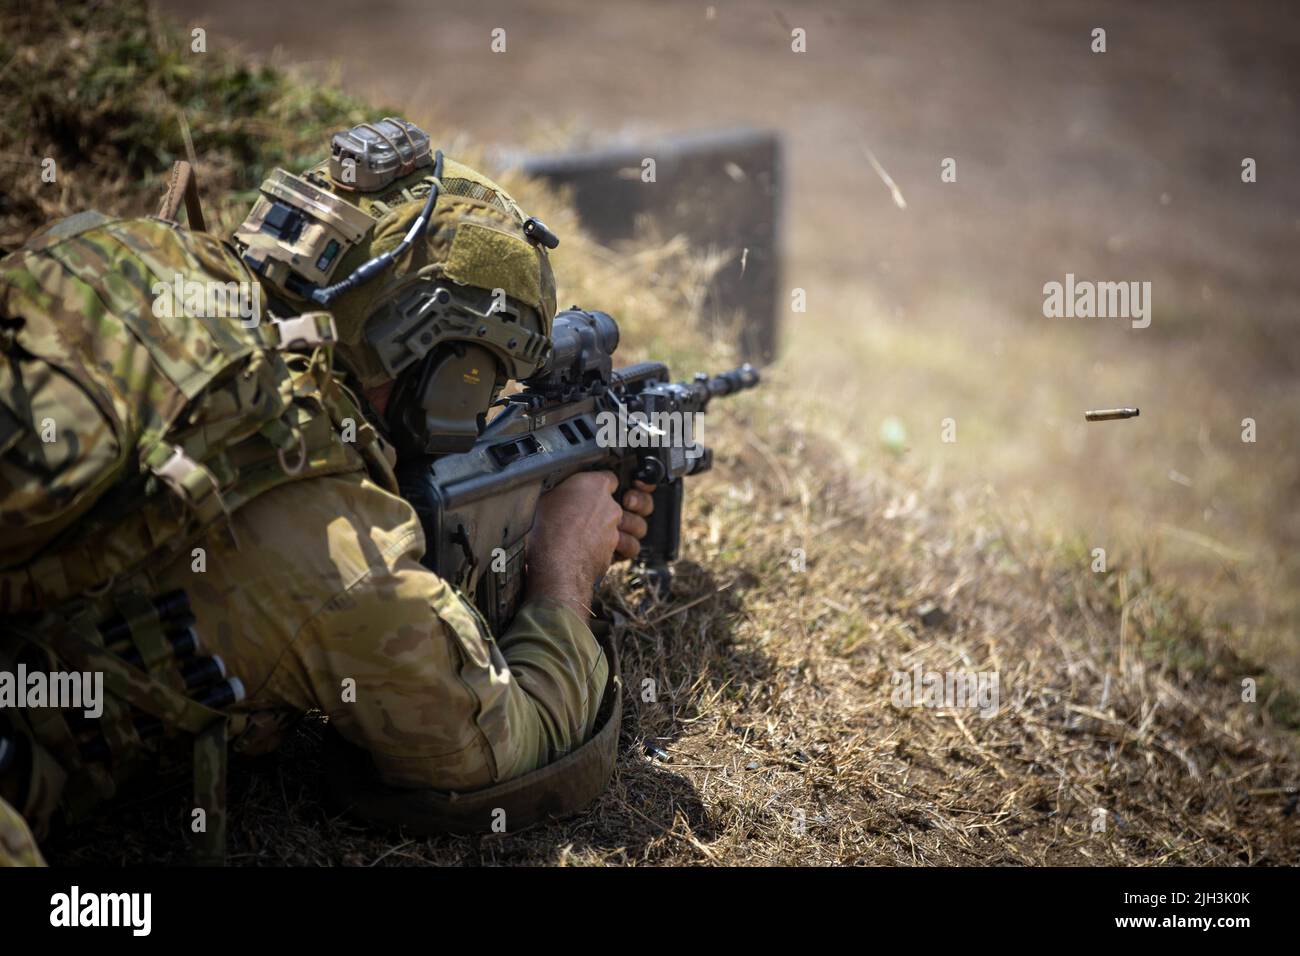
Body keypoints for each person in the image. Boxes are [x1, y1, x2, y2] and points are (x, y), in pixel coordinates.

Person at [0, 117, 649, 862]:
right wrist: (563, 573)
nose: (481, 404)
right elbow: (494, 753)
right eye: (485, 378)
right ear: (444, 374)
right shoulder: (342, 557)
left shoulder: (116, 256)